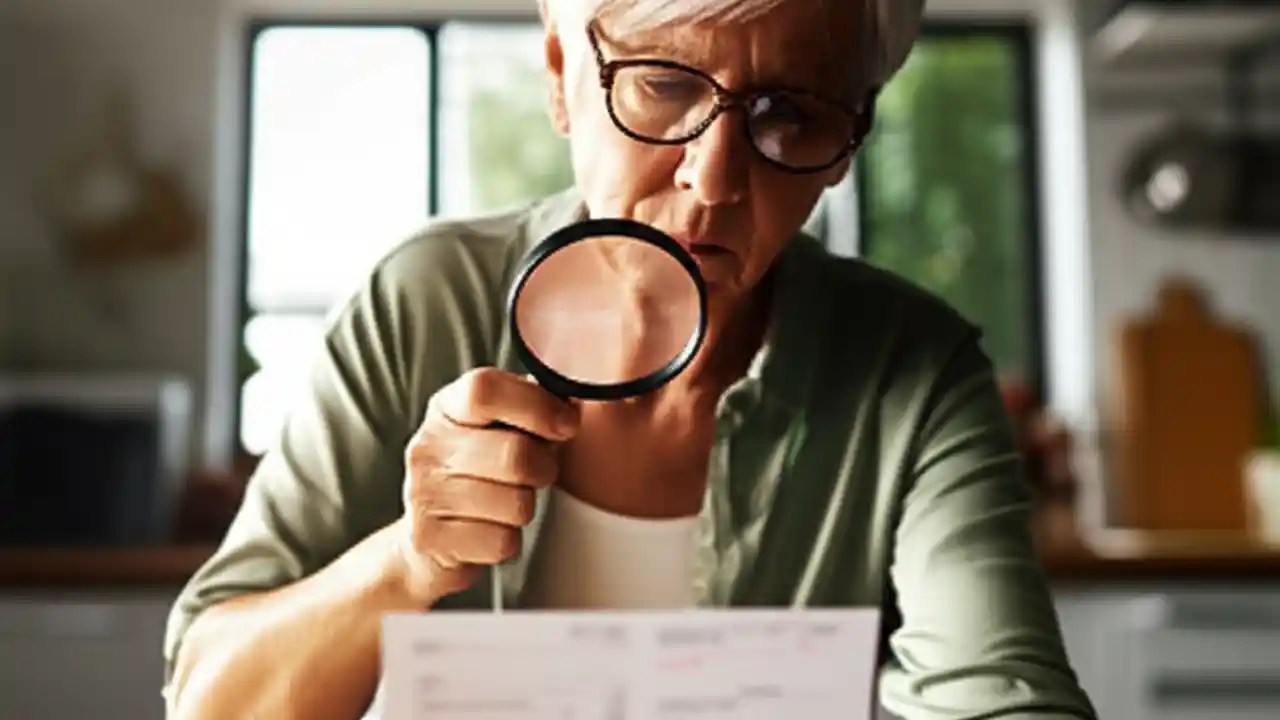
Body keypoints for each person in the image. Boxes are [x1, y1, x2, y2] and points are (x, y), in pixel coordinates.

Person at [164, 0, 1099, 718]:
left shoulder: (915, 370)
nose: (713, 178)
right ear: (560, 74)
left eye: (791, 114)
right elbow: (211, 703)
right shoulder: (424, 303)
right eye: (661, 84)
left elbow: (1007, 697)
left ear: (846, 141)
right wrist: (409, 562)